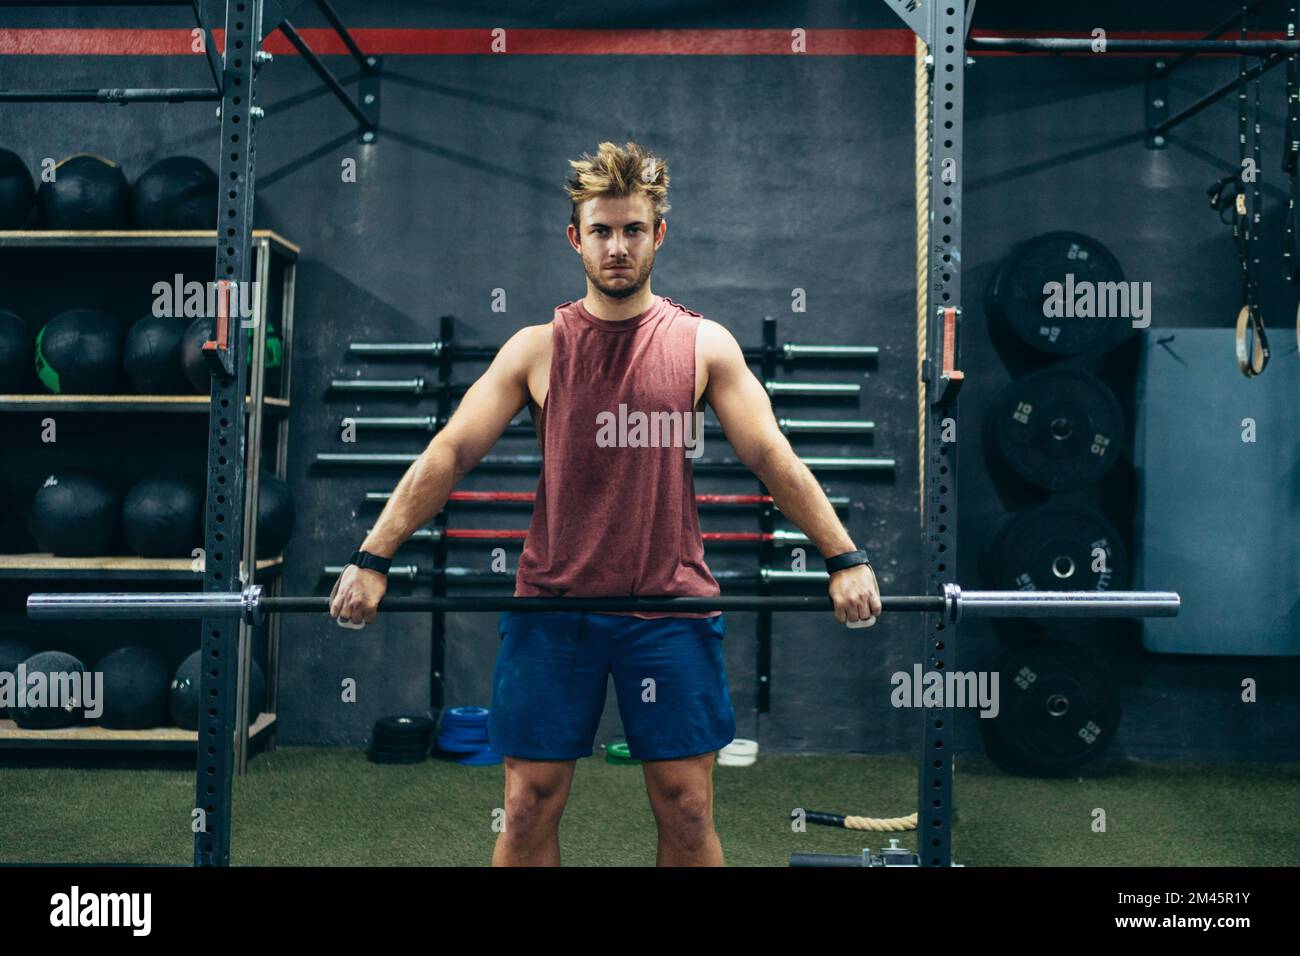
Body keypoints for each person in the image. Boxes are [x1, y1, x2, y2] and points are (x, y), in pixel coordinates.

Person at [329, 140, 881, 866]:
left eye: (632, 229)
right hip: (554, 610)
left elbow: (771, 455)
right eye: (601, 230)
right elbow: (450, 451)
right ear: (575, 238)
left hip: (670, 608)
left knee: (686, 809)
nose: (616, 246)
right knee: (525, 808)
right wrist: (374, 557)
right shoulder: (536, 349)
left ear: (658, 234)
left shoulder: (703, 345)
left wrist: (843, 557)